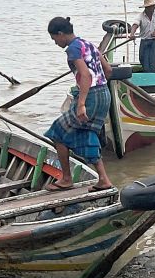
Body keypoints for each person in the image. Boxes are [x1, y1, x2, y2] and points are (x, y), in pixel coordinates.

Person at [43, 17, 113, 191]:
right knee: (87, 132)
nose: (55, 43)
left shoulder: (73, 49)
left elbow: (85, 75)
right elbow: (108, 70)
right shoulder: (88, 44)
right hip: (104, 94)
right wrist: (98, 88)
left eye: (54, 38)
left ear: (61, 34)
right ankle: (103, 180)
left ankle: (66, 178)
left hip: (90, 96)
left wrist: (81, 103)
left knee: (57, 132)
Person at [129, 0, 155, 73]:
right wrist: (132, 34)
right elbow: (135, 25)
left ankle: (151, 73)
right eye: (151, 7)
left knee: (152, 59)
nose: (153, 8)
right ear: (146, 8)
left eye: (154, 6)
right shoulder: (141, 16)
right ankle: (147, 71)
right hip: (144, 40)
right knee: (142, 58)